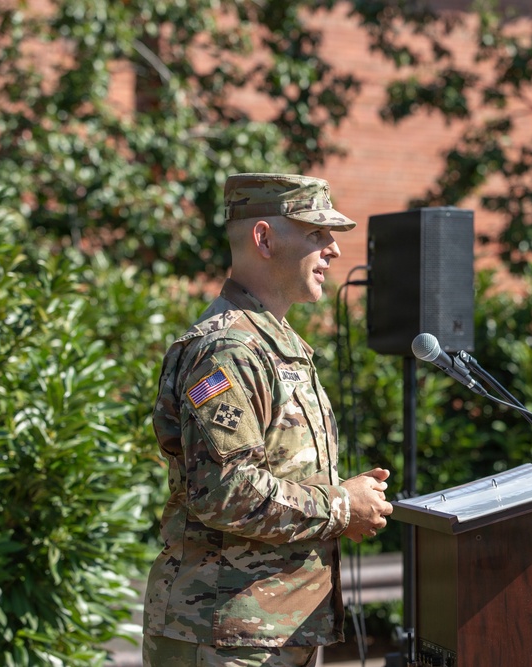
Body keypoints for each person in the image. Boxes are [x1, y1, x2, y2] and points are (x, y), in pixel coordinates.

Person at [142, 173, 394, 667]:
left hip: (271, 632)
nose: (334, 251)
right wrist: (341, 506)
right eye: (317, 234)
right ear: (263, 238)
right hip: (223, 634)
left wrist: (338, 498)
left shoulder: (275, 345)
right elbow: (225, 491)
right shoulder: (228, 351)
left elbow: (272, 475)